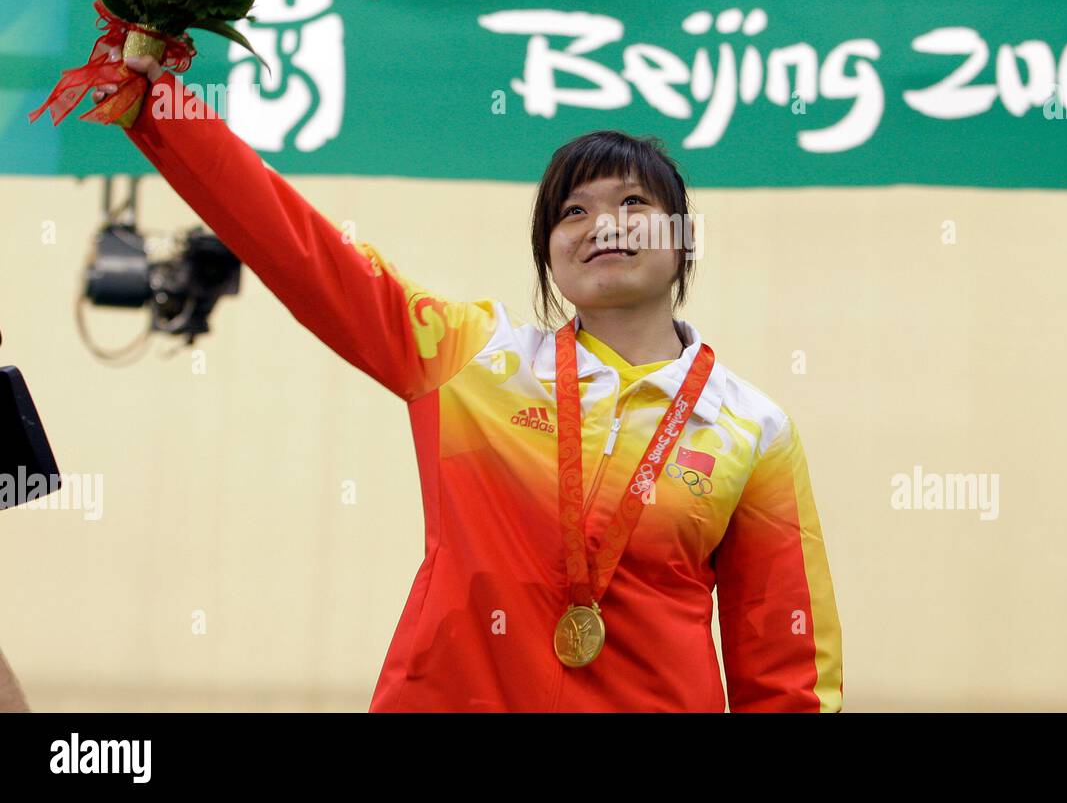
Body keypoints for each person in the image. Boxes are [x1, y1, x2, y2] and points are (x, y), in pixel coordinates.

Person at [90, 52, 844, 712]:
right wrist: (162, 104)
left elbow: (784, 667)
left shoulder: (752, 426)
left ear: (683, 239)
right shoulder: (474, 358)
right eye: (571, 211)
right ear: (549, 254)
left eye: (633, 203)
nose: (600, 223)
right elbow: (308, 253)